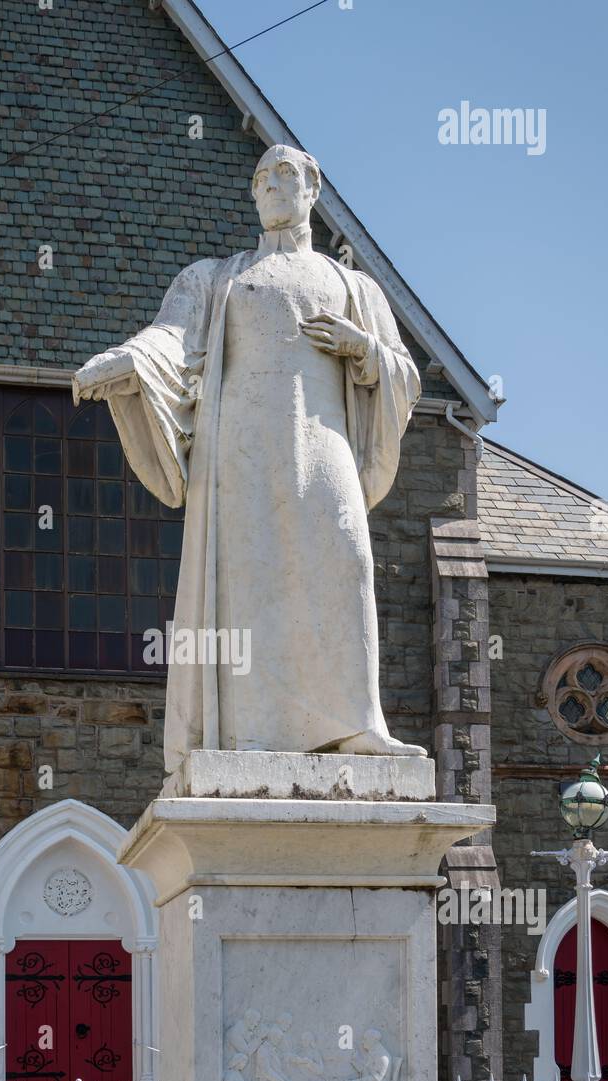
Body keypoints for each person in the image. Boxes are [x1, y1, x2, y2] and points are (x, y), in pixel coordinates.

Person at [73, 145, 423, 771]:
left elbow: (405, 373)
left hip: (323, 445)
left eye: (285, 174)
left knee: (344, 561)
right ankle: (251, 731)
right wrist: (125, 362)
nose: (271, 186)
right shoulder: (218, 277)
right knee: (251, 580)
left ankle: (356, 724)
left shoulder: (353, 285)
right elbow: (172, 338)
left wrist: (361, 345)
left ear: (313, 186)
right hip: (239, 452)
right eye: (261, 178)